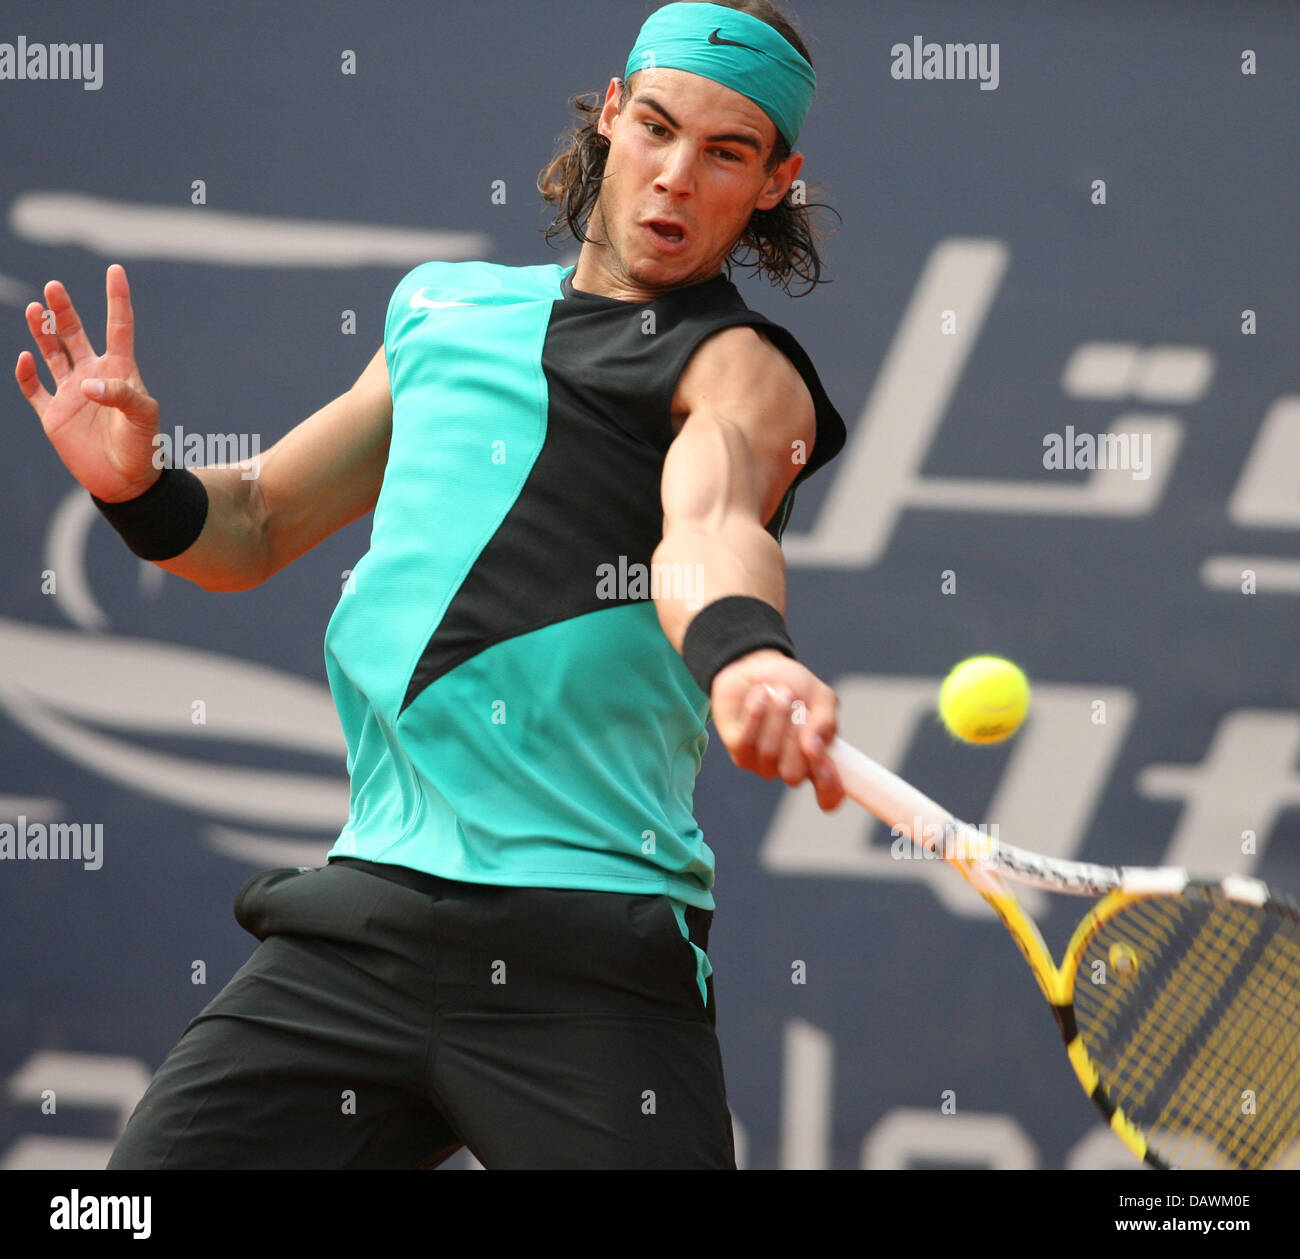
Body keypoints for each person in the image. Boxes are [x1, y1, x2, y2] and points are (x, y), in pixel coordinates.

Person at [15, 0, 847, 1169]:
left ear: (774, 181)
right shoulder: (440, 312)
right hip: (360, 926)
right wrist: (139, 491)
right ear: (611, 112)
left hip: (591, 954)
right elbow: (252, 525)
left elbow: (704, 530)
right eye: (656, 128)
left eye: (724, 154)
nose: (673, 179)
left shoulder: (745, 374)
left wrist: (748, 653)